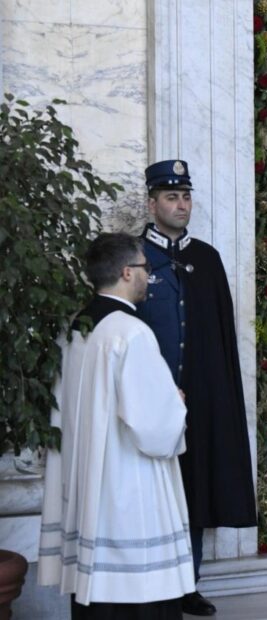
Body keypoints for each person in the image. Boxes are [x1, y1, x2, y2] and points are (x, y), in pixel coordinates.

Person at [38, 233, 194, 618]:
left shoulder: (78, 324)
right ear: (127, 272)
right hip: (129, 496)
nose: (148, 276)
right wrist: (175, 403)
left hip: (91, 489)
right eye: (145, 268)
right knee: (138, 598)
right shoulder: (131, 332)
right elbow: (154, 430)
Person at [136, 160, 256, 616]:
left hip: (201, 400)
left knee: (195, 488)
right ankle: (149, 582)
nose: (181, 205)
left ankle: (188, 584)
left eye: (186, 196)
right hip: (150, 400)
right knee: (151, 491)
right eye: (171, 197)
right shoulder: (134, 259)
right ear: (152, 203)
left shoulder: (206, 259)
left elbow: (222, 335)